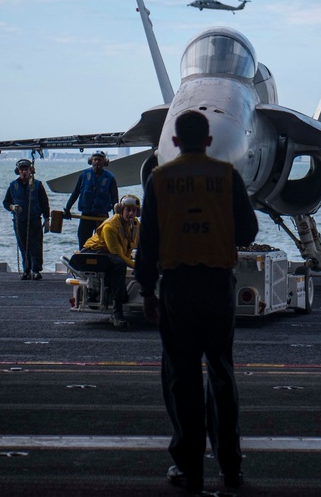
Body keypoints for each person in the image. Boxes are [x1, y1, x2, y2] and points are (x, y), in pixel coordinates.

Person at [135, 110, 258, 493]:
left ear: (173, 142)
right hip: (217, 285)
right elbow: (249, 230)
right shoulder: (226, 176)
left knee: (181, 378)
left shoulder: (159, 179)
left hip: (177, 287)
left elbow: (147, 244)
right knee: (221, 374)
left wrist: (148, 291)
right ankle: (231, 467)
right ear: (208, 140)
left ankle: (188, 466)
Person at [73, 194, 141, 329]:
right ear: (121, 210)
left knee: (123, 290)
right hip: (93, 253)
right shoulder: (110, 227)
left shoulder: (135, 225)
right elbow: (118, 255)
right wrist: (139, 267)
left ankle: (110, 294)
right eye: (128, 210)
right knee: (118, 264)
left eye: (134, 210)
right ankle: (117, 313)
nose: (131, 213)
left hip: (109, 254)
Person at [2, 158, 50, 280]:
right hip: (19, 221)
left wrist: (47, 219)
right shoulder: (13, 186)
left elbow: (44, 203)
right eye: (22, 169)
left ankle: (36, 270)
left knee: (36, 246)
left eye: (26, 169)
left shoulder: (37, 185)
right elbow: (6, 202)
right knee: (23, 246)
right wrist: (12, 207)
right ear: (18, 171)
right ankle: (26, 270)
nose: (24, 172)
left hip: (34, 220)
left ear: (30, 171)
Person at [63, 151, 119, 249]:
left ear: (104, 162)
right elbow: (76, 193)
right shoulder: (84, 175)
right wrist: (67, 209)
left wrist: (116, 217)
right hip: (86, 216)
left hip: (102, 217)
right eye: (95, 160)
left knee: (102, 244)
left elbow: (115, 198)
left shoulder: (110, 178)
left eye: (100, 160)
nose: (97, 162)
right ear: (91, 161)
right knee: (83, 243)